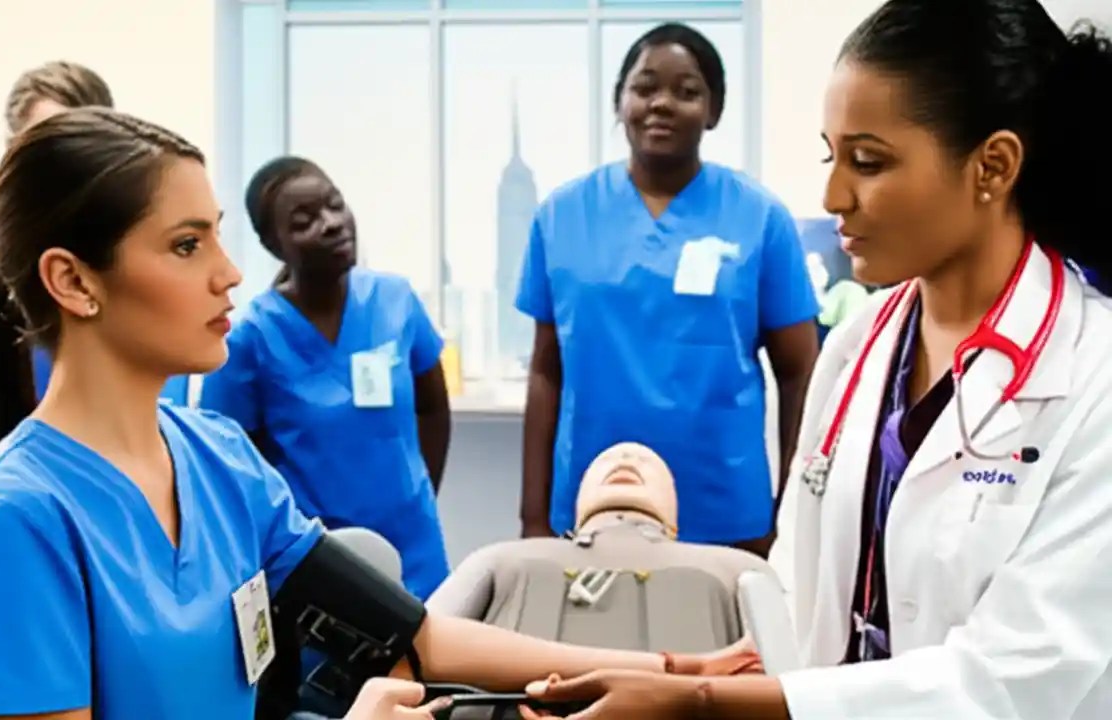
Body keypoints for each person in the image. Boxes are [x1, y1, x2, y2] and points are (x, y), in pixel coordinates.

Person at [0, 107, 748, 720]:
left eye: (218, 237)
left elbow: (419, 638)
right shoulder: (12, 520)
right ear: (74, 280)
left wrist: (668, 670)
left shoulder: (216, 458)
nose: (230, 272)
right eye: (185, 245)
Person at [522, 2, 1112, 718]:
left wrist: (704, 702)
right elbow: (803, 608)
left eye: (868, 162)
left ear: (992, 165)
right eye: (831, 156)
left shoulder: (1092, 376)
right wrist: (732, 667)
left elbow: (1012, 679)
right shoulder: (857, 351)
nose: (834, 197)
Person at [515, 22, 820, 558]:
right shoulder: (561, 216)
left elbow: (801, 372)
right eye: (645, 87)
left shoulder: (759, 217)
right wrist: (533, 518)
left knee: (726, 643)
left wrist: (791, 509)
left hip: (727, 509)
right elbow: (546, 370)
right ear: (620, 102)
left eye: (687, 91)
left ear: (714, 110)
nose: (661, 103)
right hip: (590, 506)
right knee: (592, 642)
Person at [199, 156, 452, 600]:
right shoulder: (252, 338)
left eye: (335, 205)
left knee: (432, 663)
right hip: (317, 564)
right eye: (305, 221)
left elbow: (433, 406)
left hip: (416, 554)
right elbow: (229, 465)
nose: (331, 223)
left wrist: (417, 496)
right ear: (274, 245)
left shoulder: (395, 301)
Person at [0, 60, 186, 440]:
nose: (71, 165)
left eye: (85, 145)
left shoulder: (148, 272)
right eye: (50, 147)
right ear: (14, 155)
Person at [429, 442, 773, 658]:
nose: (626, 455)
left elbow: (794, 680)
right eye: (606, 461)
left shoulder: (737, 570)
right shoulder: (500, 561)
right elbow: (414, 649)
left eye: (647, 463)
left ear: (676, 519)